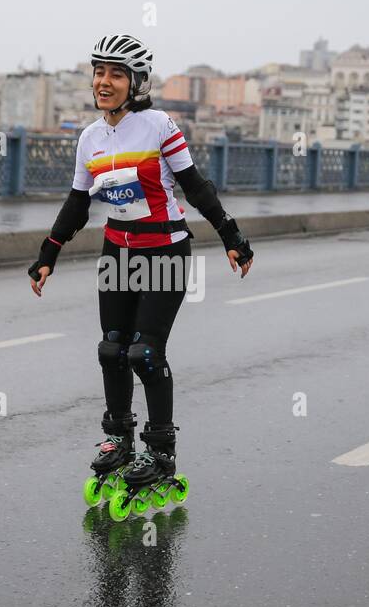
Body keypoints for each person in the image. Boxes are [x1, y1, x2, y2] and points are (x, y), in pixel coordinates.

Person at [27, 33, 254, 514]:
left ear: (136, 82)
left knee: (145, 353)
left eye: (115, 74)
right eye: (99, 72)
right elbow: (78, 201)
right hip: (118, 252)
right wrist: (49, 251)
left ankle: (161, 453)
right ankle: (119, 442)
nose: (103, 82)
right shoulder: (90, 137)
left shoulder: (158, 126)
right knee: (112, 347)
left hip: (167, 251)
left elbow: (194, 185)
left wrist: (231, 236)